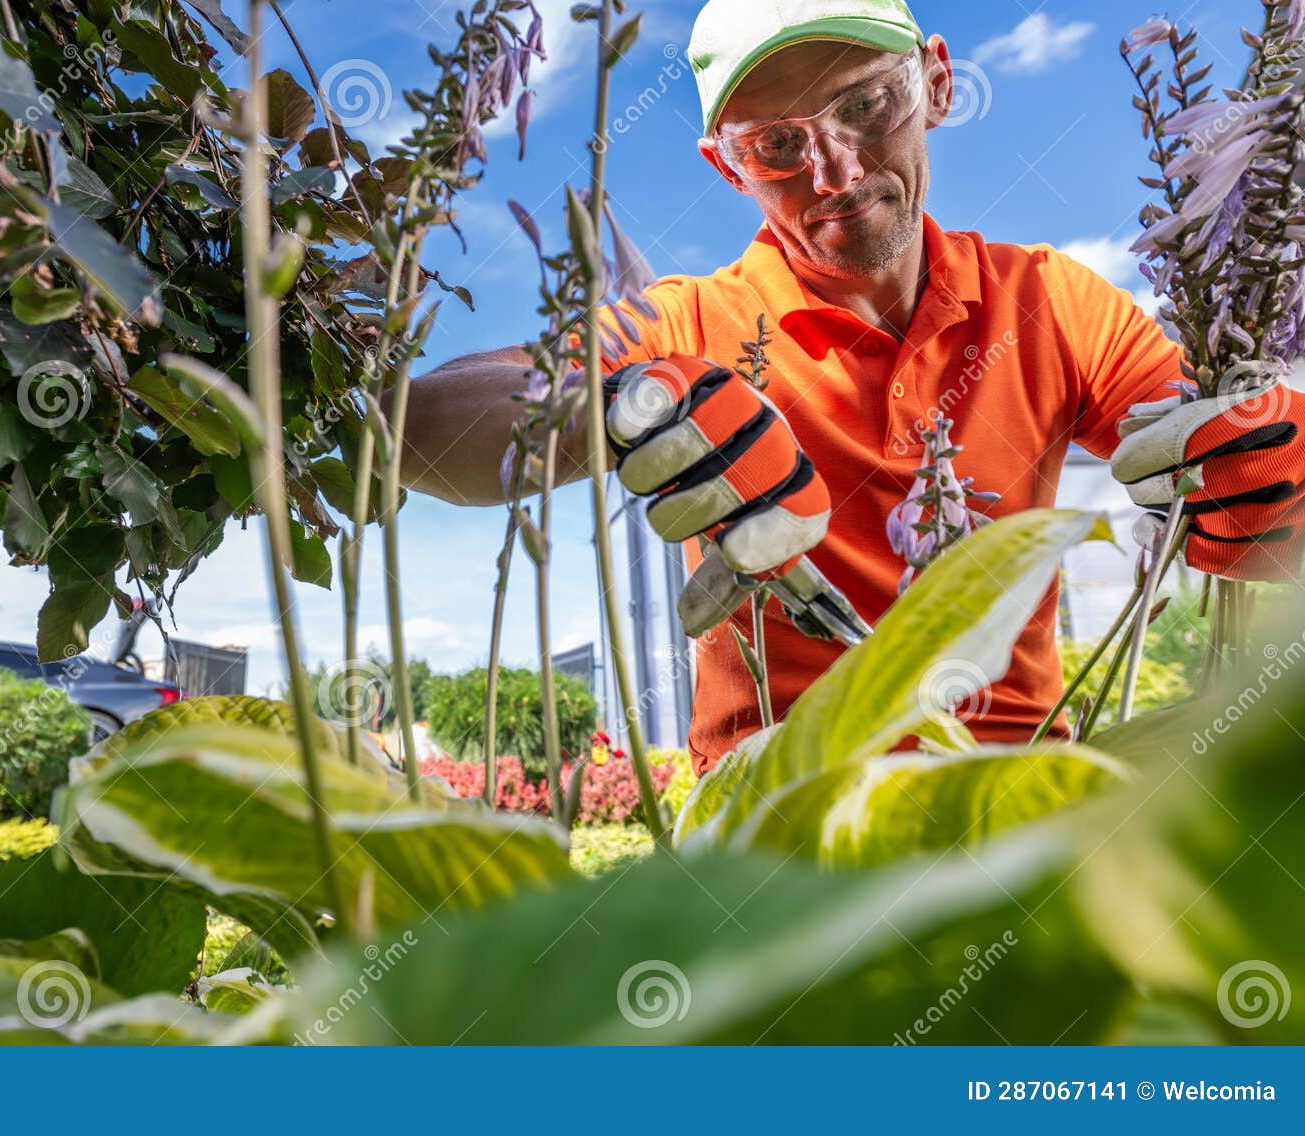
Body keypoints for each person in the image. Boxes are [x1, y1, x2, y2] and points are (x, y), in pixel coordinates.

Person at [396, 0, 1305, 774]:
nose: (835, 172)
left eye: (868, 105)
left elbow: (1221, 437)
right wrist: (621, 406)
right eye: (777, 143)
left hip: (1017, 786)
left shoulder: (1048, 301)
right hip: (776, 809)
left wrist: (1272, 470)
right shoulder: (685, 323)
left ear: (936, 85)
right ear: (728, 165)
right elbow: (417, 431)